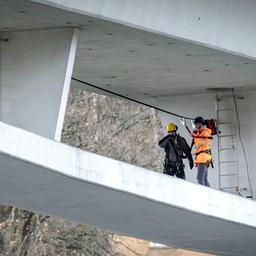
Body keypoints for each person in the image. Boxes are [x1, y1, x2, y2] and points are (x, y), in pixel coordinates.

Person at [192, 116, 213, 187]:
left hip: (203, 158)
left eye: (196, 124)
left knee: (199, 177)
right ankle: (209, 193)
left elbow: (202, 142)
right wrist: (195, 135)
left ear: (200, 124)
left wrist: (195, 137)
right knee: (204, 178)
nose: (195, 126)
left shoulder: (205, 133)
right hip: (204, 157)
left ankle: (204, 194)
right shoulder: (202, 132)